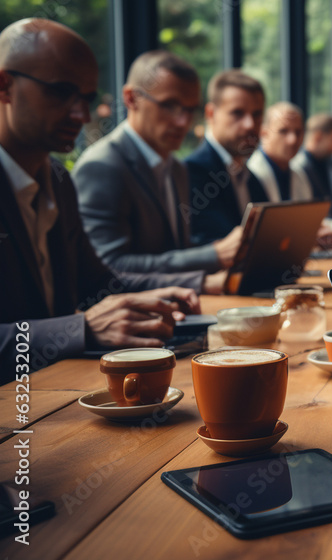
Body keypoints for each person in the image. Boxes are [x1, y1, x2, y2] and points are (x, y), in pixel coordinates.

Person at [0, 19, 200, 378]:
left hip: (53, 397)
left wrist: (169, 290)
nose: (82, 115)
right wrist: (79, 330)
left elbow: (97, 282)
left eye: (87, 98)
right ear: (4, 86)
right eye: (61, 92)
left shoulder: (59, 179)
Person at [72, 51, 233, 294]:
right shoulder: (102, 166)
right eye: (170, 105)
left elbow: (171, 251)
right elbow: (109, 267)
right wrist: (213, 256)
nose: (183, 122)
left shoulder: (177, 167)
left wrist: (219, 250)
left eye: (190, 110)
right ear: (131, 99)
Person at [185, 69, 268, 245]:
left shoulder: (250, 178)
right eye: (237, 113)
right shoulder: (190, 173)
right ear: (210, 114)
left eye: (257, 114)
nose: (250, 124)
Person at [246, 101, 312, 203]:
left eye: (298, 132)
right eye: (283, 131)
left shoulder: (300, 175)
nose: (292, 140)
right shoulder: (250, 175)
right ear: (264, 133)